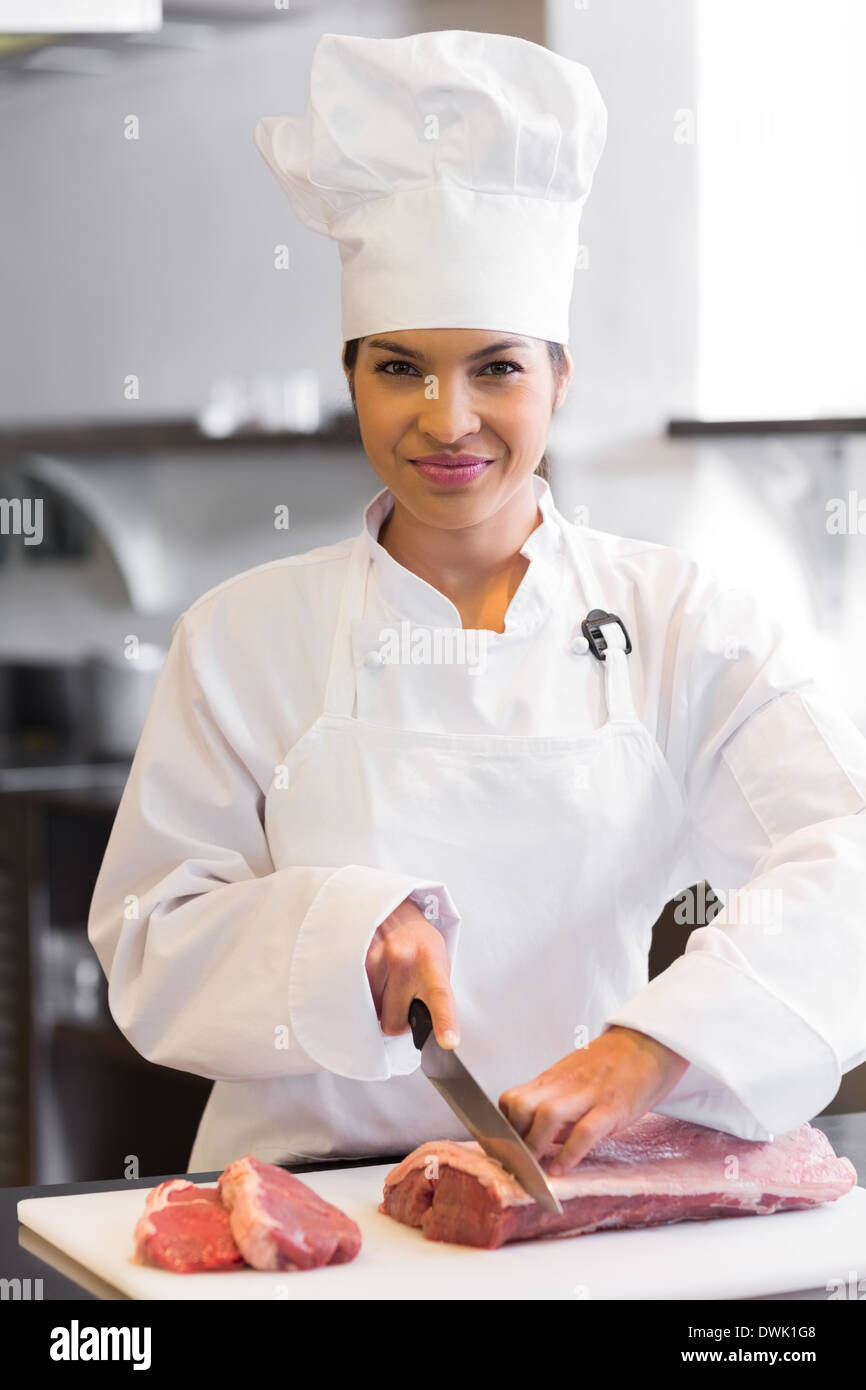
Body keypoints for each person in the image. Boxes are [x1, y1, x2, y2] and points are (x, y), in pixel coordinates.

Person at [88, 30, 866, 1176]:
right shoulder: (242, 635)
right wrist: (345, 936)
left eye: (496, 367)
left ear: (559, 376)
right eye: (397, 367)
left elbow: (845, 852)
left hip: (565, 1204)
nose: (446, 419)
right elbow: (152, 943)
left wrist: (654, 1044)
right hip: (304, 1219)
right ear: (349, 376)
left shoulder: (681, 618)